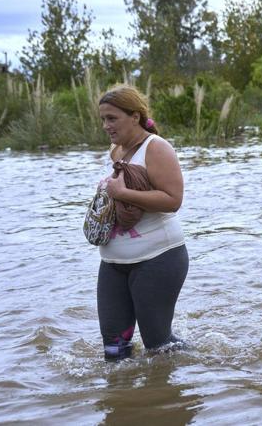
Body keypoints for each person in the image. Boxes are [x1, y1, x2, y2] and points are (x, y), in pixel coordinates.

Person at [95, 84, 189, 361]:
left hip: (158, 258)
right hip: (113, 263)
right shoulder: (117, 150)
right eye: (103, 119)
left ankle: (202, 372)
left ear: (135, 116)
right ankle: (123, 401)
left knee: (158, 346)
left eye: (112, 118)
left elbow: (173, 200)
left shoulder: (156, 147)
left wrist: (122, 193)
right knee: (114, 350)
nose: (106, 125)